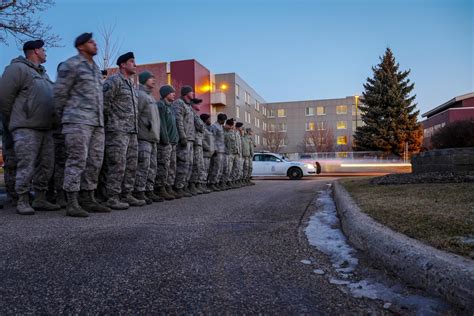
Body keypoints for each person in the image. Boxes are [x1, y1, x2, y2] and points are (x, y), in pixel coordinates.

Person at [0, 39, 60, 215]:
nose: (45, 52)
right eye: (43, 49)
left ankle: (40, 198)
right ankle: (22, 199)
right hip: (26, 127)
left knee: (47, 164)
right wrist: (15, 119)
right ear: (35, 51)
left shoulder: (44, 75)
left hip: (45, 128)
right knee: (26, 164)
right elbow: (4, 98)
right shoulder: (17, 69)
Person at [54, 32, 110, 217]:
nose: (95, 44)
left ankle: (89, 198)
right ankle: (72, 201)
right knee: (77, 160)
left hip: (96, 122)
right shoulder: (72, 64)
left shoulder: (95, 68)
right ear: (80, 46)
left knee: (95, 161)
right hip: (77, 120)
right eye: (90, 42)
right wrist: (64, 117)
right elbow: (60, 94)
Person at [102, 52, 145, 209]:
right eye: (132, 62)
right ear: (123, 65)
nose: (135, 64)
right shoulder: (114, 81)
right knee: (117, 164)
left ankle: (126, 194)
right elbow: (104, 105)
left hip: (131, 131)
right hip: (117, 131)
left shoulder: (132, 86)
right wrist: (111, 124)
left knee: (131, 164)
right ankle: (112, 197)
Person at [133, 71, 162, 204]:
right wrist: (145, 126)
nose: (154, 81)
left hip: (153, 138)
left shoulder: (151, 97)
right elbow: (136, 115)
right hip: (144, 136)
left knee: (152, 166)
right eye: (151, 78)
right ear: (144, 80)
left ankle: (148, 190)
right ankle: (139, 191)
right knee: (143, 165)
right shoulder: (140, 95)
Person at [154, 85, 179, 200]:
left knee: (171, 166)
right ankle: (160, 188)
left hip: (173, 142)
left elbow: (173, 125)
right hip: (166, 142)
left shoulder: (171, 107)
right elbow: (162, 124)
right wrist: (165, 139)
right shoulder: (161, 105)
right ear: (165, 94)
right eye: (171, 92)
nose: (174, 94)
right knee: (163, 165)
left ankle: (168, 186)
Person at [171, 86, 196, 197]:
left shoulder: (189, 106)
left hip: (190, 139)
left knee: (189, 164)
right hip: (184, 139)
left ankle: (184, 185)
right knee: (183, 162)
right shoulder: (179, 103)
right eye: (191, 92)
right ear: (186, 93)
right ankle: (178, 186)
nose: (193, 93)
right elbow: (178, 121)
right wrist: (182, 136)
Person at [189, 98, 210, 194]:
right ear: (193, 104)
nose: (200, 106)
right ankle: (192, 185)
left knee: (199, 166)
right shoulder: (192, 114)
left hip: (198, 143)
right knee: (196, 165)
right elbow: (201, 127)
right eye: (198, 104)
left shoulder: (195, 114)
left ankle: (197, 185)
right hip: (195, 142)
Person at [208, 113, 227, 191]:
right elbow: (212, 138)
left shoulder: (221, 127)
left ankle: (216, 182)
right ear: (220, 119)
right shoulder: (214, 127)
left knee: (220, 167)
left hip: (222, 150)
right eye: (223, 120)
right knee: (215, 167)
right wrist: (214, 149)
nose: (224, 122)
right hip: (217, 150)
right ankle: (212, 183)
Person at [200, 113, 215, 191]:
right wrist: (208, 148)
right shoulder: (203, 128)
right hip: (205, 153)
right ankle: (202, 185)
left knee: (207, 170)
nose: (210, 120)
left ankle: (204, 185)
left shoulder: (208, 128)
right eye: (209, 119)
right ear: (205, 120)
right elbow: (202, 139)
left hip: (209, 154)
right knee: (204, 170)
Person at [224, 118, 240, 189]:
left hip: (235, 152)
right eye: (233, 124)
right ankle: (226, 182)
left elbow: (237, 144)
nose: (234, 125)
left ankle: (232, 181)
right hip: (229, 153)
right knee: (228, 168)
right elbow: (224, 143)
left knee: (235, 167)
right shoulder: (226, 132)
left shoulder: (235, 133)